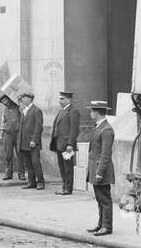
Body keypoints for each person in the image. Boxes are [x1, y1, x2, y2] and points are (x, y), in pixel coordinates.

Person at [86, 100, 115, 235]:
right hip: (95, 168)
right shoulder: (98, 127)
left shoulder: (106, 129)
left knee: (105, 199)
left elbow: (106, 153)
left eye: (92, 111)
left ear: (97, 112)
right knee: (99, 199)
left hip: (101, 170)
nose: (90, 113)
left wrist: (100, 173)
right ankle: (101, 224)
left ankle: (107, 226)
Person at [48, 89, 80, 195]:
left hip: (67, 145)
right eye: (59, 99)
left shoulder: (73, 111)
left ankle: (68, 188)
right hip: (59, 144)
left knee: (68, 168)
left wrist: (70, 144)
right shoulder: (62, 111)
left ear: (69, 100)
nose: (60, 101)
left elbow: (74, 130)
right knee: (62, 167)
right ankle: (64, 186)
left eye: (62, 99)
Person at [17, 91, 44, 190]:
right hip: (24, 142)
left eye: (24, 97)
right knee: (28, 164)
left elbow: (39, 127)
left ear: (30, 99)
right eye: (22, 97)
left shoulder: (37, 110)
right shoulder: (24, 110)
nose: (23, 99)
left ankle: (40, 182)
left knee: (36, 163)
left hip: (33, 143)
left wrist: (34, 140)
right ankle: (31, 182)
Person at [0, 94, 21, 180]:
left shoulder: (18, 107)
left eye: (5, 100)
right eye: (3, 102)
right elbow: (2, 122)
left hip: (18, 133)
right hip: (8, 134)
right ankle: (8, 173)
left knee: (20, 154)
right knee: (8, 155)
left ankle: (21, 173)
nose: (4, 103)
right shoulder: (5, 111)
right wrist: (1, 135)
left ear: (9, 99)